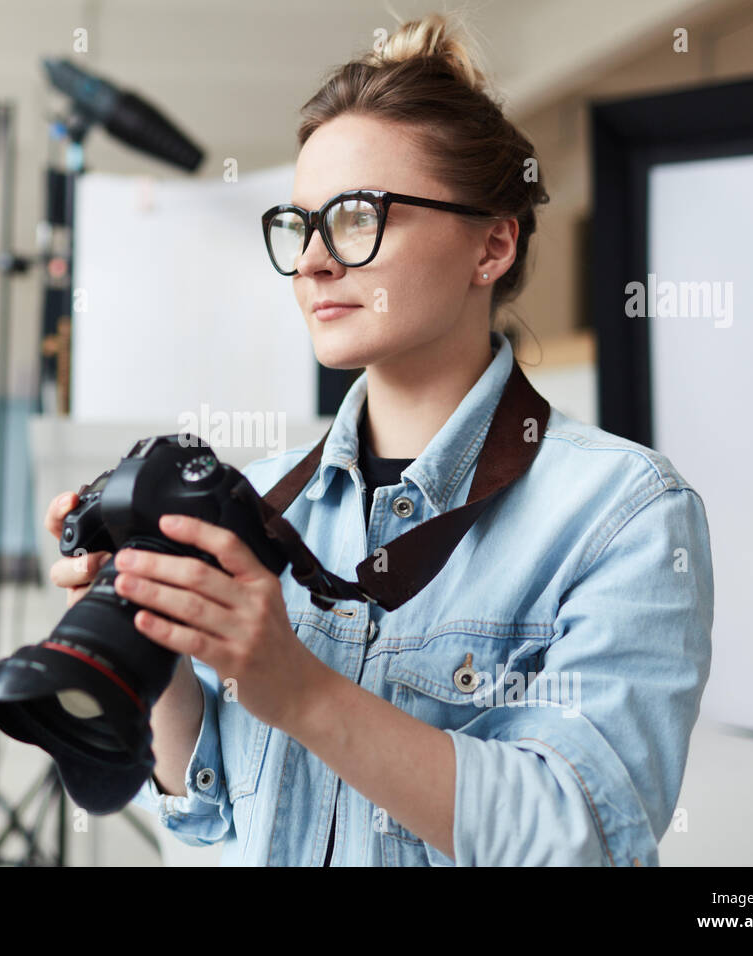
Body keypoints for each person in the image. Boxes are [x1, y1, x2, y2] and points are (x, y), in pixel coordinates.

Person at [44, 10, 713, 866]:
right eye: (300, 225)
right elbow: (206, 809)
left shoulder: (624, 516)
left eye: (358, 217)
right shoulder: (260, 495)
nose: (316, 261)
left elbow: (577, 838)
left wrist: (303, 693)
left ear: (492, 244)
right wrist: (151, 640)